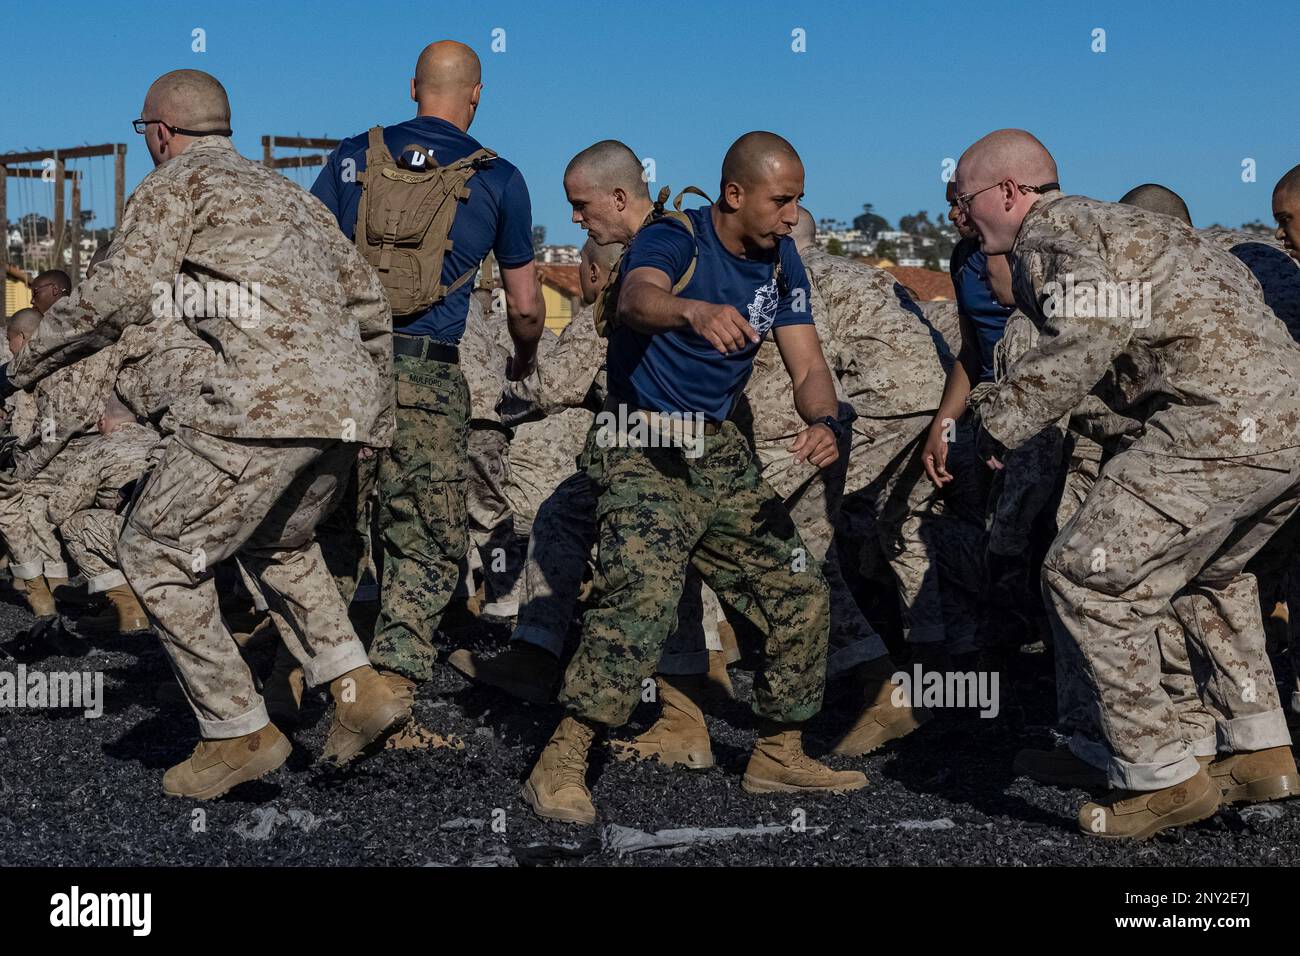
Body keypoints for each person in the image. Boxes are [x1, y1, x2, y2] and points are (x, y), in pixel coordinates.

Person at [1, 68, 408, 799]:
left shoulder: (176, 183)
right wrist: (373, 411)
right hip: (343, 410)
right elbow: (371, 302)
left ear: (160, 132)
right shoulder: (292, 198)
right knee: (277, 541)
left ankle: (237, 730)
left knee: (152, 548)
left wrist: (21, 372)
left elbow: (119, 291)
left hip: (259, 404)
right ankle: (358, 688)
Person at [959, 128, 1300, 839]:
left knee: (1085, 577)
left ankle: (1160, 776)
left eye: (965, 203)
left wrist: (995, 423)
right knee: (1211, 574)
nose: (964, 220)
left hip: (1214, 420)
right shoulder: (1136, 227)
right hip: (1286, 422)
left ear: (1009, 193)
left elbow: (1088, 330)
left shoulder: (1049, 234)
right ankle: (1259, 745)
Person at [522, 131, 864, 825]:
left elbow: (808, 367)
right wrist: (695, 311)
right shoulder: (675, 238)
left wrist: (828, 424)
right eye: (781, 200)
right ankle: (562, 758)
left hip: (718, 448)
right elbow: (637, 301)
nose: (792, 215)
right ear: (735, 195)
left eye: (797, 200)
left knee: (797, 586)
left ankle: (777, 752)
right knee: (639, 595)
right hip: (642, 439)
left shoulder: (782, 260)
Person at [311, 40, 544, 704]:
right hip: (428, 375)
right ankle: (393, 680)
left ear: (414, 86)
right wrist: (522, 360)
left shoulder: (354, 156)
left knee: (332, 522)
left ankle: (300, 669)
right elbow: (526, 308)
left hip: (346, 371)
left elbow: (307, 262)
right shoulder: (499, 178)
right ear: (477, 94)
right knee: (423, 533)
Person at [45, 394, 158, 635]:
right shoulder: (159, 439)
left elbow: (59, 509)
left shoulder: (98, 448)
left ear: (101, 420)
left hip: (140, 540)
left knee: (73, 526)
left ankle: (128, 607)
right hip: (182, 539)